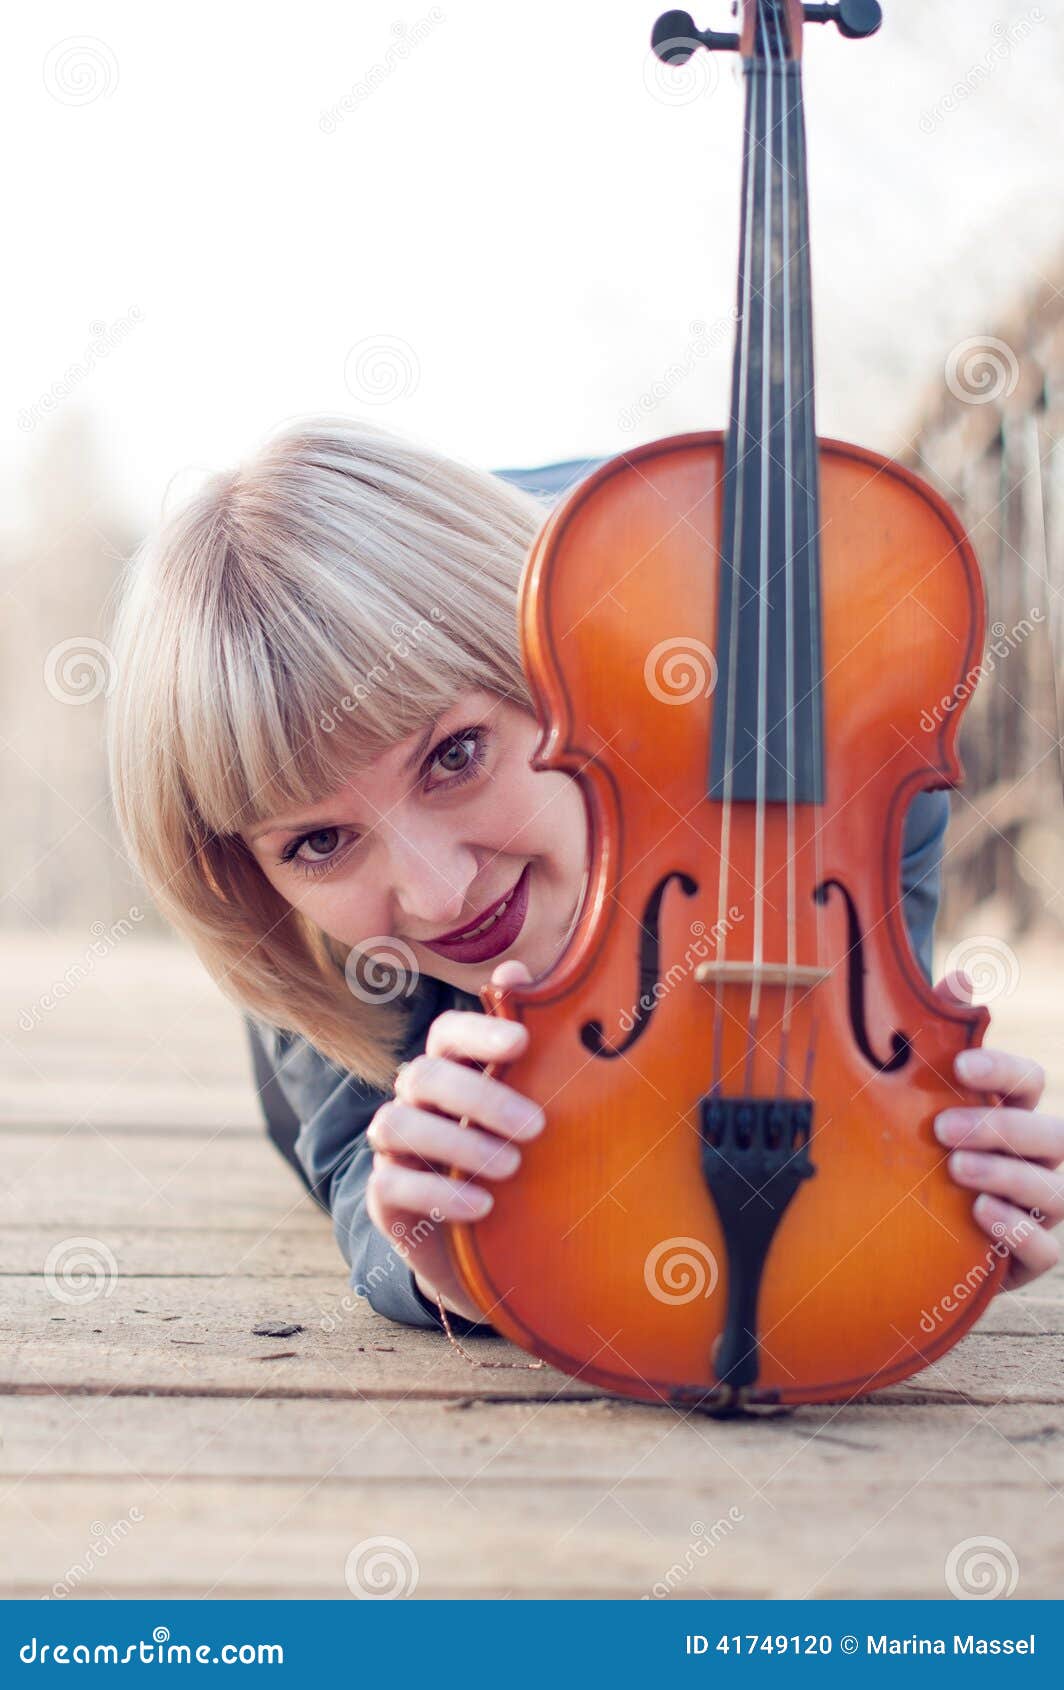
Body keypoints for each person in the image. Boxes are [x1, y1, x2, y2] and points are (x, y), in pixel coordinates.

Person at [106, 416, 1064, 1343]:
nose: (439, 895)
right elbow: (364, 1161)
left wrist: (924, 1200)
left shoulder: (844, 706)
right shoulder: (287, 896)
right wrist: (459, 1266)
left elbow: (843, 1090)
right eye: (317, 844)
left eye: (457, 755)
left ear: (565, 668)